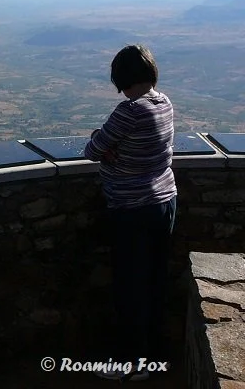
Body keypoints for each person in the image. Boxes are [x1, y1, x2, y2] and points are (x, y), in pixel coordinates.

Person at [83, 45, 177, 382]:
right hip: (164, 202)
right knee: (153, 280)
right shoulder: (163, 102)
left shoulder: (129, 111)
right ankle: (154, 355)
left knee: (129, 287)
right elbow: (153, 151)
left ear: (120, 78)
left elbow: (93, 149)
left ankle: (130, 366)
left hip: (132, 209)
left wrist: (108, 150)